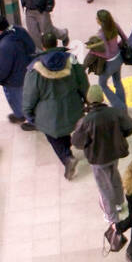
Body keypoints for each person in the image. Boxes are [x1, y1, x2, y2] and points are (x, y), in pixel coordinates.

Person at [23, 31, 89, 180]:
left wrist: (28, 112)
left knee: (54, 136)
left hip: (48, 114)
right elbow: (82, 82)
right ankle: (71, 148)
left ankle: (67, 158)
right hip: (72, 106)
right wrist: (88, 99)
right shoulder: (71, 60)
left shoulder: (35, 69)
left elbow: (30, 95)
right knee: (66, 129)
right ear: (56, 43)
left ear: (43, 46)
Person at [71, 84, 132, 235]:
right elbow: (130, 126)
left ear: (89, 99)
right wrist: (120, 136)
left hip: (98, 159)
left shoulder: (86, 121)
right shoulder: (114, 112)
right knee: (114, 176)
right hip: (114, 154)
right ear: (101, 98)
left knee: (103, 186)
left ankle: (112, 216)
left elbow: (77, 142)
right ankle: (119, 203)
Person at [0, 15, 37, 130]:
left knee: (17, 98)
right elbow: (32, 47)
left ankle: (30, 121)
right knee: (26, 97)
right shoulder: (18, 29)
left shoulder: (5, 45)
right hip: (26, 70)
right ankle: (20, 115)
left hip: (14, 79)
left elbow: (3, 69)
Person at [87, 8, 128, 111]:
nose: (96, 19)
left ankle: (120, 107)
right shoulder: (115, 25)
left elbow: (106, 53)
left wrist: (94, 51)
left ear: (101, 21)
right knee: (117, 81)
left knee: (103, 84)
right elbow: (125, 38)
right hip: (119, 58)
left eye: (97, 18)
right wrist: (117, 46)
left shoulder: (101, 34)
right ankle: (123, 105)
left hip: (109, 64)